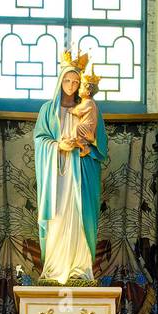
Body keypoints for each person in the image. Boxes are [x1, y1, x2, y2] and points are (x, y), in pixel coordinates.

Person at [33, 51, 108, 284]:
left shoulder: (89, 107)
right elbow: (39, 140)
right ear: (60, 81)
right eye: (67, 80)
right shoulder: (48, 110)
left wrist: (87, 146)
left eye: (76, 82)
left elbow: (101, 147)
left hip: (81, 174)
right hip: (56, 175)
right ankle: (55, 269)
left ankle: (79, 268)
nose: (71, 85)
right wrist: (58, 146)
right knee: (57, 217)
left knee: (78, 215)